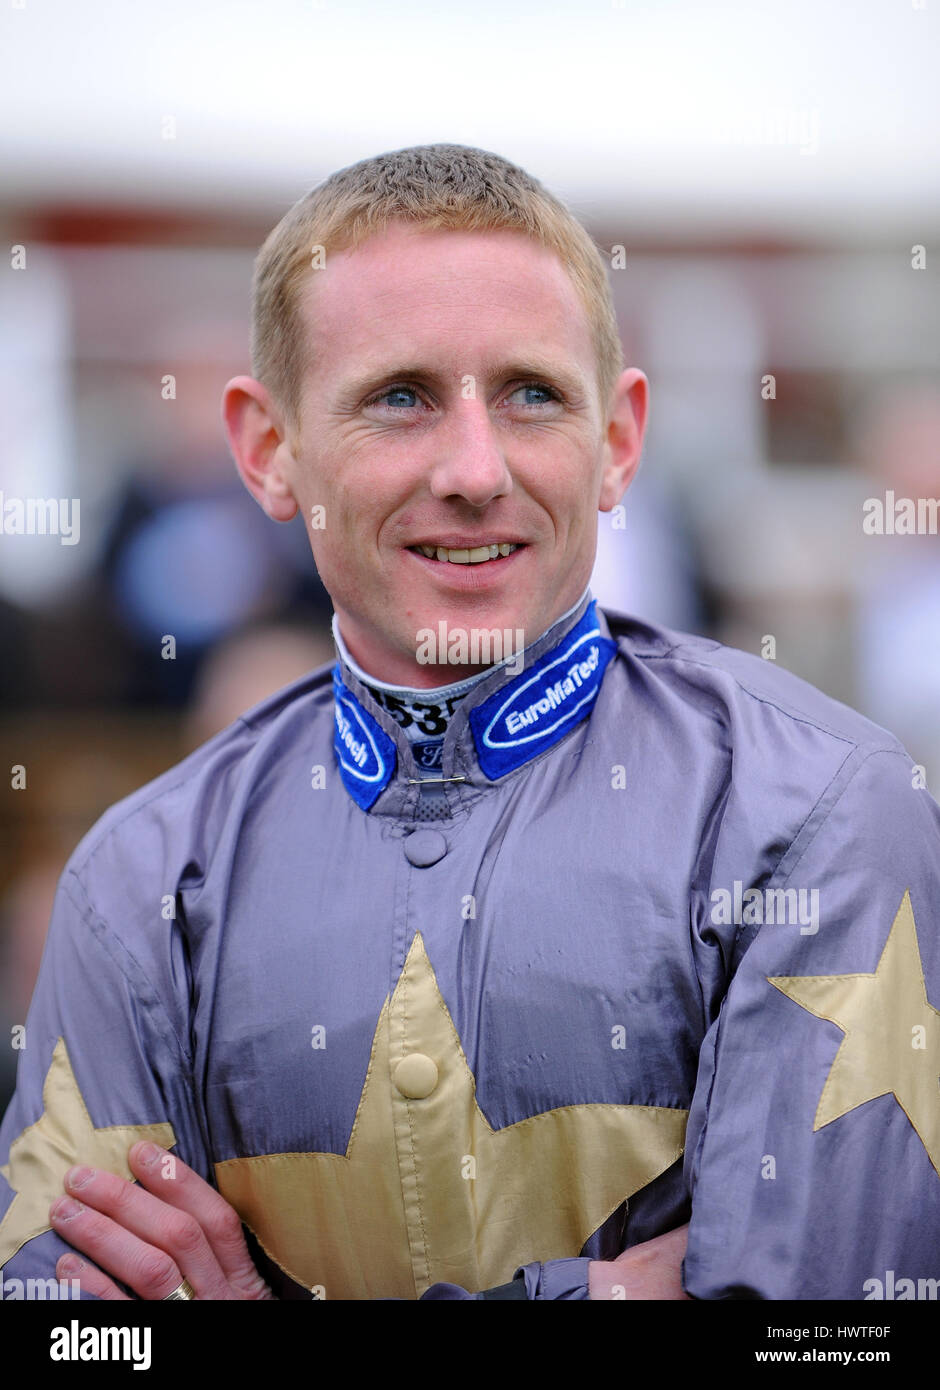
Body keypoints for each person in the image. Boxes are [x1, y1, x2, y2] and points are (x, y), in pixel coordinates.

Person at [1, 144, 938, 1302]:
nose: (475, 468)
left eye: (531, 394)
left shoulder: (819, 807)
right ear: (267, 449)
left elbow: (825, 1334)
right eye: (399, 397)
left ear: (618, 439)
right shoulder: (137, 880)